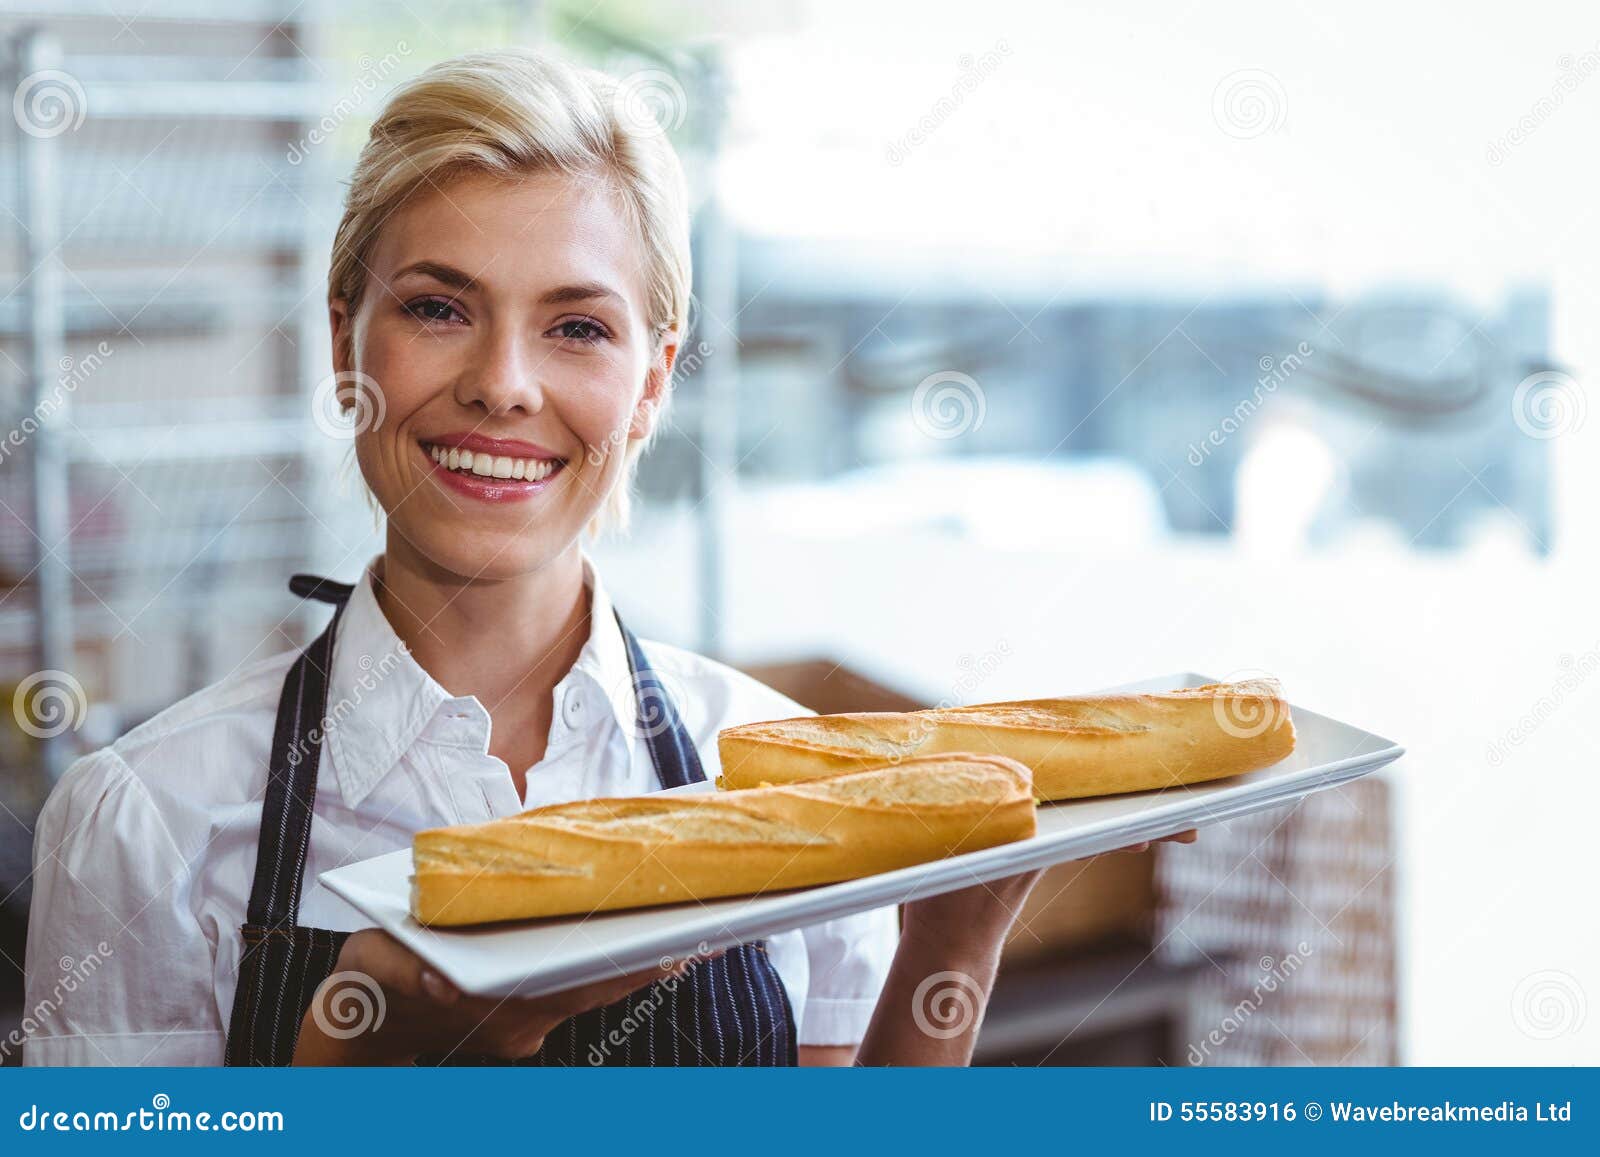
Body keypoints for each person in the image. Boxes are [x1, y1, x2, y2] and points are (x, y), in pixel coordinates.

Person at [23, 47, 1188, 1067]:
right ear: (344, 341)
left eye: (577, 326)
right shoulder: (149, 821)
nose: (503, 382)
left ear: (650, 384)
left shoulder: (788, 784)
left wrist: (956, 937)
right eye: (437, 307)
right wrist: (359, 1038)